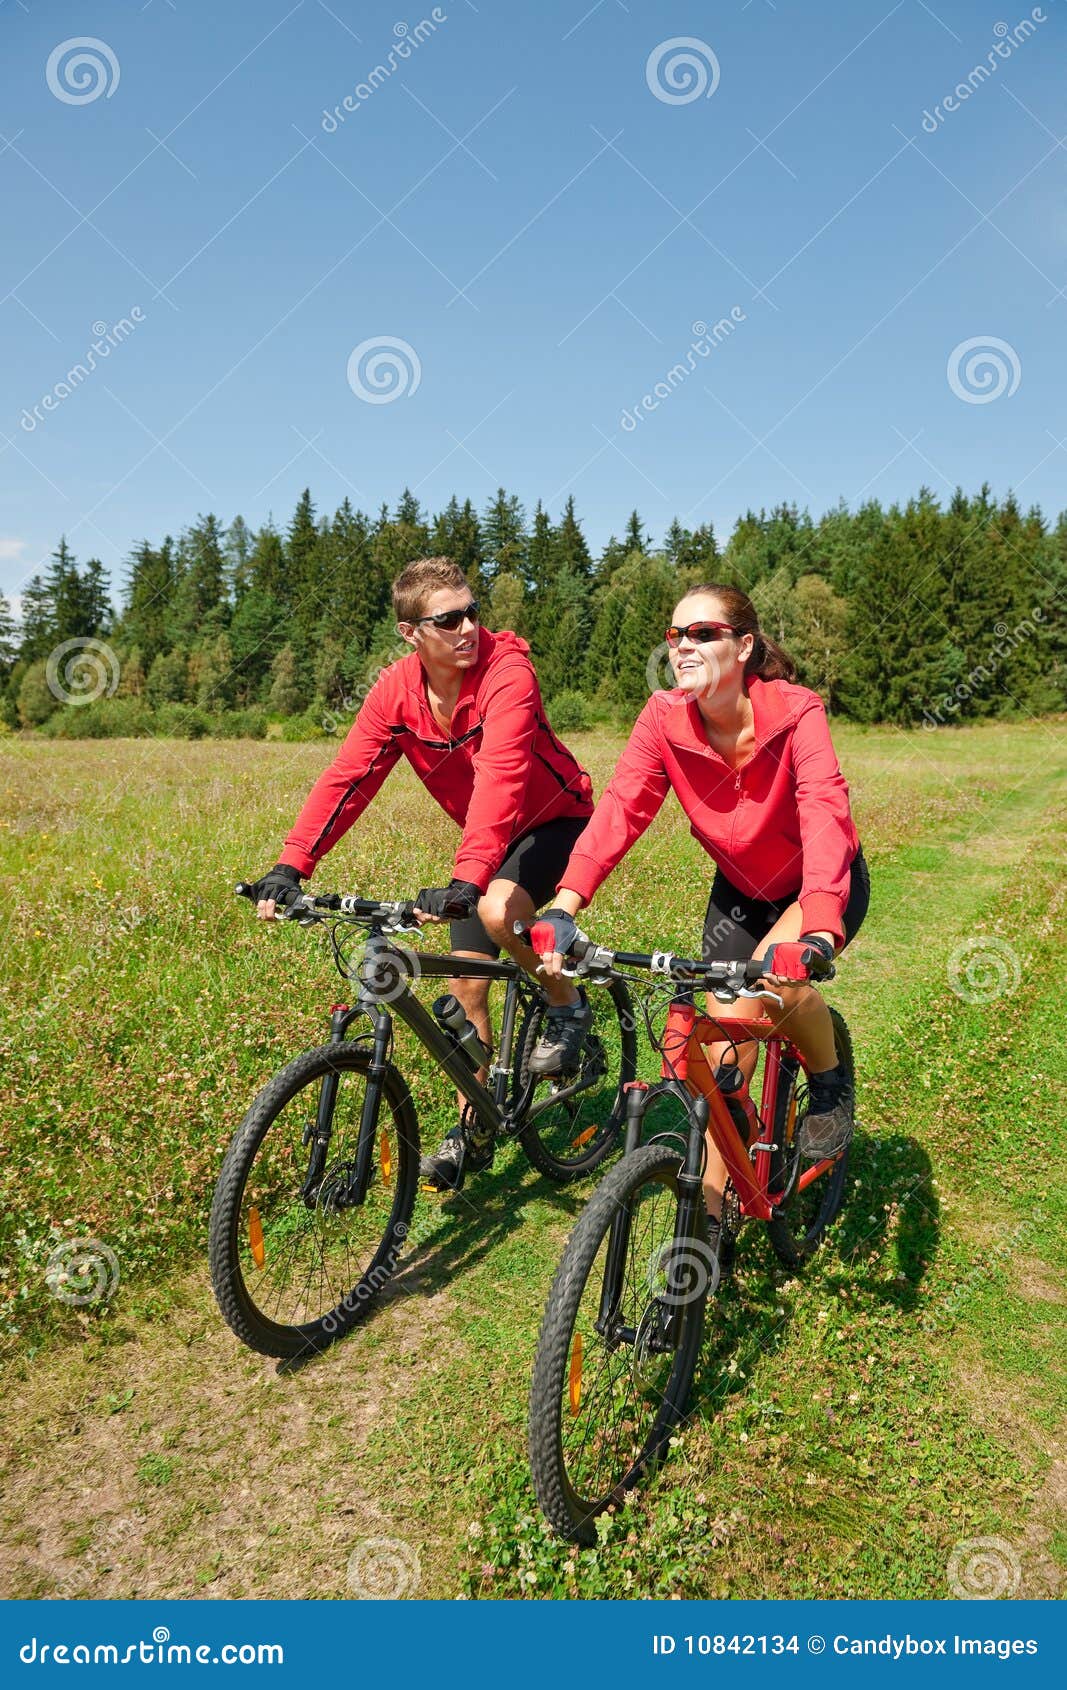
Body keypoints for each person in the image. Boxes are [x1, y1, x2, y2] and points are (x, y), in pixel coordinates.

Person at [531, 583, 870, 1255]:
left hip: (813, 884)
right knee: (717, 1053)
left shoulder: (795, 712)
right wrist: (564, 905)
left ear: (743, 647)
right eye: (675, 635)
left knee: (771, 990)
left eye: (702, 633)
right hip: (741, 891)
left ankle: (828, 1083)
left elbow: (824, 809)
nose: (683, 646)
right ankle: (712, 1220)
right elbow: (620, 810)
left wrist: (819, 930)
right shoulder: (662, 719)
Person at [245, 556, 596, 1192]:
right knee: (467, 987)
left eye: (473, 611)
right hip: (488, 842)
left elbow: (504, 773)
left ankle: (566, 1005)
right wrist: (290, 865)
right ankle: (476, 1124)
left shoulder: (507, 671)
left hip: (555, 821)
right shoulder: (396, 693)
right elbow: (350, 778)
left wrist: (469, 876)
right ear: (412, 633)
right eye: (449, 618)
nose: (469, 627)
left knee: (493, 911)